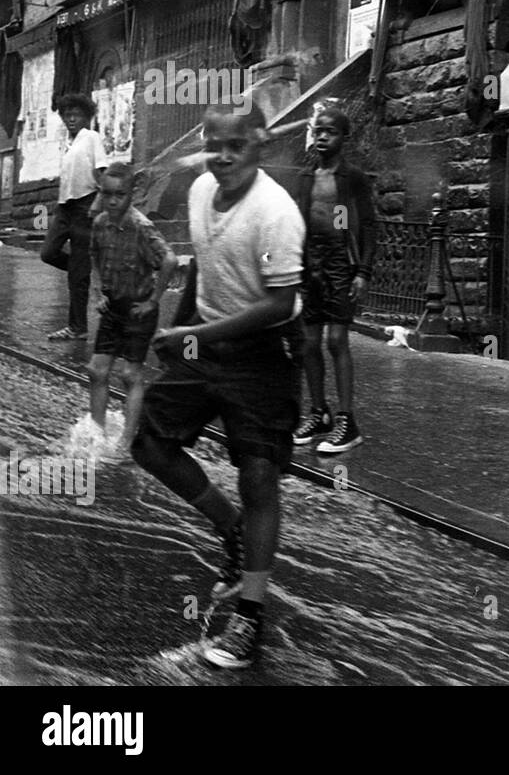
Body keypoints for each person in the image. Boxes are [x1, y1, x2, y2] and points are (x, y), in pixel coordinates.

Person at [132, 105, 306, 668]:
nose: (225, 157)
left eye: (237, 146)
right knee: (148, 440)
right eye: (215, 145)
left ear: (259, 145)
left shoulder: (277, 213)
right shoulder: (201, 191)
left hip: (263, 354)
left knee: (258, 473)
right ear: (204, 146)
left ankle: (249, 618)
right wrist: (179, 338)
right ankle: (229, 528)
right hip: (203, 342)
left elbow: (280, 304)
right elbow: (204, 269)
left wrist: (193, 333)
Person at [291, 108, 377, 454]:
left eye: (331, 132)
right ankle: (318, 412)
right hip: (311, 262)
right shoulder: (305, 176)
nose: (323, 137)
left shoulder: (352, 178)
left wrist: (363, 272)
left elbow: (369, 225)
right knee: (308, 342)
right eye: (319, 131)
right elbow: (296, 220)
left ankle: (346, 420)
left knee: (336, 339)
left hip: (341, 260)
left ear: (344, 138)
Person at [87, 163, 177, 452]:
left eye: (120, 195)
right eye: (107, 194)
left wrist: (153, 301)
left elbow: (169, 260)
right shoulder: (100, 223)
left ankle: (127, 440)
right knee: (97, 371)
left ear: (132, 195)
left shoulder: (140, 226)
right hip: (113, 307)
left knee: (130, 374)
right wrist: (99, 291)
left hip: (139, 308)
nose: (113, 201)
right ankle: (97, 432)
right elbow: (94, 255)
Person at [41, 93, 108, 340]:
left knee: (78, 273)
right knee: (48, 253)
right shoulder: (67, 142)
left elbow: (101, 172)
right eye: (67, 115)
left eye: (76, 114)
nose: (71, 119)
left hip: (85, 206)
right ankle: (81, 272)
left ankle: (77, 327)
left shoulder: (91, 138)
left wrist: (98, 203)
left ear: (86, 117)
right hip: (64, 208)